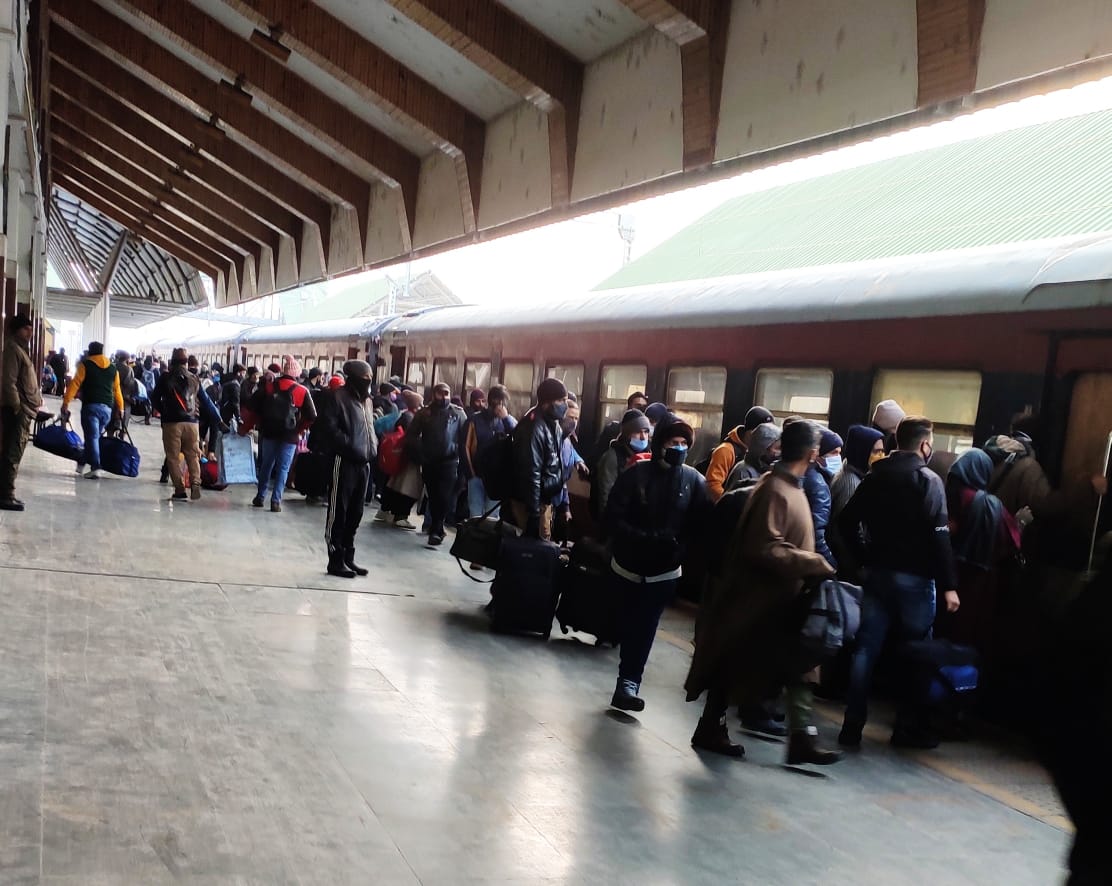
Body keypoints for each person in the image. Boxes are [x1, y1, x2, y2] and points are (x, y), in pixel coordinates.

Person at [685, 420, 841, 764]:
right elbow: (764, 547)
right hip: (760, 601)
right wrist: (812, 561)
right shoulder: (775, 490)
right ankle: (713, 726)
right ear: (813, 453)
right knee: (735, 664)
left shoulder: (788, 485)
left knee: (800, 667)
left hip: (782, 599)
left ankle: (800, 737)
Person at [836, 416, 960, 749]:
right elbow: (939, 536)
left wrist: (862, 560)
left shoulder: (875, 476)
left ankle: (852, 725)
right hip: (916, 581)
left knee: (866, 649)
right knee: (916, 652)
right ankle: (906, 729)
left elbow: (845, 522)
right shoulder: (928, 480)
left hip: (877, 574)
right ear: (925, 445)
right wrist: (949, 584)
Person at [606, 414, 712, 712]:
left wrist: (681, 549)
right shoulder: (635, 475)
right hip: (627, 567)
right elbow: (613, 517)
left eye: (683, 443)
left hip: (664, 572)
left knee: (645, 626)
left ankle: (628, 682)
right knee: (627, 624)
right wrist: (645, 537)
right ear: (659, 443)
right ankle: (627, 675)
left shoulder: (693, 481)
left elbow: (701, 526)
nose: (678, 448)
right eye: (672, 442)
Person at [940, 449, 1024, 650]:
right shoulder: (990, 504)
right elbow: (1011, 541)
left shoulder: (942, 494)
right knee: (969, 631)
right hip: (978, 580)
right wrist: (1020, 523)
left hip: (944, 574)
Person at [315, 360, 378, 577]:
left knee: (356, 512)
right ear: (352, 379)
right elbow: (329, 428)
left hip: (364, 463)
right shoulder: (336, 397)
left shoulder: (367, 401)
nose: (367, 383)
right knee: (338, 511)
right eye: (364, 380)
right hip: (343, 461)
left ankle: (349, 556)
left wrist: (372, 448)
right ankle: (335, 559)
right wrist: (350, 446)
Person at [151, 347, 226, 501]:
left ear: (172, 361)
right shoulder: (194, 378)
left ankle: (179, 489)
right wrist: (219, 420)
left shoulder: (165, 377)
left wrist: (164, 411)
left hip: (172, 423)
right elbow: (207, 402)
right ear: (186, 362)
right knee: (192, 456)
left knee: (172, 457)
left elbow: (153, 398)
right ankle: (196, 483)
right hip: (192, 424)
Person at [244, 354, 316, 513]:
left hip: (269, 432)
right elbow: (312, 416)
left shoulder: (269, 387)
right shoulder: (302, 391)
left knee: (266, 465)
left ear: (283, 371)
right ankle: (276, 501)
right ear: (297, 374)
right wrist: (299, 429)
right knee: (283, 468)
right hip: (290, 435)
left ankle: (260, 497)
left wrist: (249, 425)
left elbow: (251, 406)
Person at [406, 382, 467, 547]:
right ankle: (436, 528)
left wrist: (464, 467)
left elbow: (465, 440)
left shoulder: (458, 414)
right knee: (433, 496)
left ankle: (436, 528)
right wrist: (420, 454)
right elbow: (411, 435)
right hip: (430, 462)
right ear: (434, 394)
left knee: (444, 496)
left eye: (446, 393)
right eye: (440, 394)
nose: (444, 397)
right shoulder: (424, 414)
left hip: (450, 462)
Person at [510, 377, 567, 540]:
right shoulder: (533, 428)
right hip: (533, 502)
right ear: (547, 402)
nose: (565, 405)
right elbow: (531, 472)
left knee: (541, 543)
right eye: (561, 400)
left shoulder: (553, 424)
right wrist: (534, 512)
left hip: (544, 498)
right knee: (536, 548)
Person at [61, 341, 125, 479]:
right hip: (107, 409)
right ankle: (82, 461)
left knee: (92, 437)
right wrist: (121, 408)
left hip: (91, 407)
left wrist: (66, 402)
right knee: (93, 437)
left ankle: (96, 467)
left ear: (90, 352)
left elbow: (75, 383)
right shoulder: (113, 368)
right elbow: (117, 390)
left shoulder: (86, 365)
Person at [0, 315, 43, 511]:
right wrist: (17, 407)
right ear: (17, 330)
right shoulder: (13, 349)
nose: (30, 332)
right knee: (12, 451)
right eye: (26, 328)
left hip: (25, 409)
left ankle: (7, 492)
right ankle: (6, 494)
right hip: (18, 411)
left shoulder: (21, 350)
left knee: (14, 450)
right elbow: (9, 382)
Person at [461, 384, 516, 521]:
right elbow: (465, 447)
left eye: (502, 403)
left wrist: (506, 418)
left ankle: (486, 542)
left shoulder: (507, 421)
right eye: (497, 403)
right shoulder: (474, 419)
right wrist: (471, 474)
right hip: (477, 475)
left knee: (492, 516)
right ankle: (474, 541)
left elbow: (518, 439)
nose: (499, 407)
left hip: (497, 478)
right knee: (475, 513)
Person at [704, 406, 775, 501]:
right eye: (764, 434)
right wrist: (728, 504)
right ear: (751, 432)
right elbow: (712, 484)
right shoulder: (726, 450)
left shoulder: (759, 453)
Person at [594, 409, 651, 518]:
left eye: (646, 431)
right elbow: (605, 494)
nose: (643, 437)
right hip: (618, 519)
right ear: (627, 434)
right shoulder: (613, 457)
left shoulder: (649, 454)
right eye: (638, 432)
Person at [590, 390, 650, 468]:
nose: (641, 409)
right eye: (638, 406)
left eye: (644, 407)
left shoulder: (647, 445)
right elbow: (598, 455)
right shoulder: (613, 430)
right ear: (629, 407)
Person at [723, 422, 781, 489]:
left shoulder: (762, 469)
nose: (780, 452)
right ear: (763, 449)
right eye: (777, 448)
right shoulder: (743, 473)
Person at [114, 351, 138, 433]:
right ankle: (121, 440)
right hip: (125, 400)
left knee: (111, 427)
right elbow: (131, 386)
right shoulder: (129, 370)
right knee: (123, 426)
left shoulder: (112, 367)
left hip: (112, 399)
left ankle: (110, 441)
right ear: (127, 360)